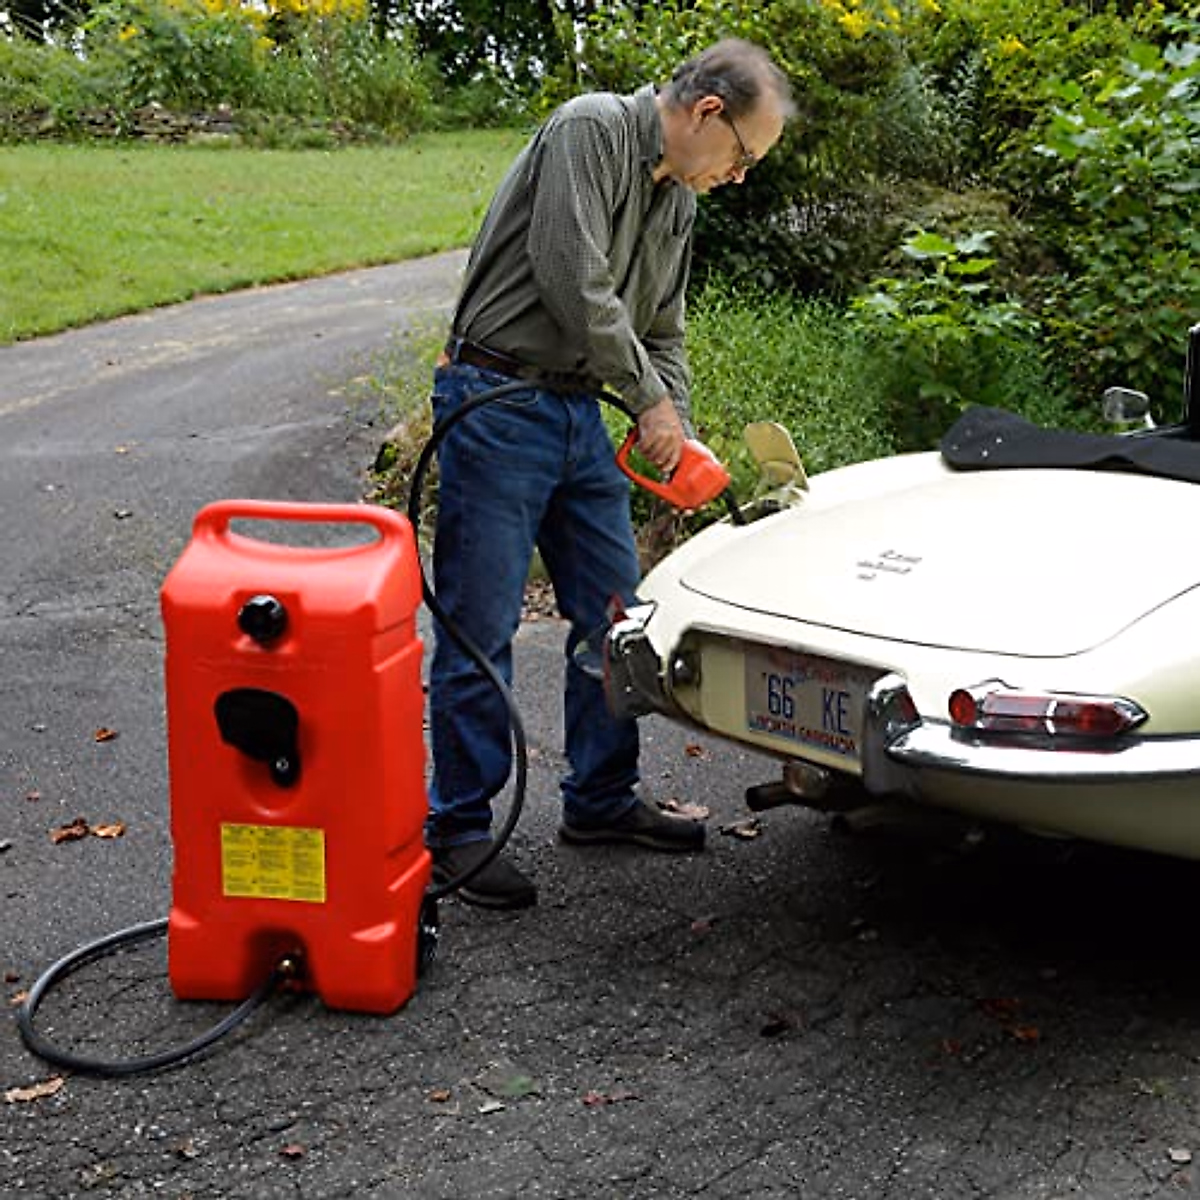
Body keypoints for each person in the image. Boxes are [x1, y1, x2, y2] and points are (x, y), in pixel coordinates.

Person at [426, 38, 795, 909]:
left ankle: (598, 799)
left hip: (578, 412)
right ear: (708, 113)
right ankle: (458, 831)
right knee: (482, 623)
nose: (738, 176)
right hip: (494, 400)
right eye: (743, 155)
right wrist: (646, 399)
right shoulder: (589, 129)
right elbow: (572, 280)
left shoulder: (680, 205)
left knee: (616, 615)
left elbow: (661, 332)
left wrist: (677, 425)